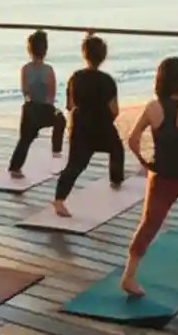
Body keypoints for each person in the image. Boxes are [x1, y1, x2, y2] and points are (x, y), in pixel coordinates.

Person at [120, 57, 178, 296]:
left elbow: (132, 139)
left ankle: (129, 276)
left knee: (149, 225)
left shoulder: (152, 108)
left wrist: (145, 162)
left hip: (162, 177)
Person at [52, 34, 125, 218]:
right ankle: (116, 180)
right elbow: (115, 110)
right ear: (104, 56)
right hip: (102, 125)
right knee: (117, 149)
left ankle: (59, 200)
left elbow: (69, 106)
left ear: (84, 54)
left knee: (75, 165)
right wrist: (105, 121)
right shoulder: (107, 80)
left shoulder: (75, 78)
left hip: (81, 125)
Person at [7, 29, 65, 177]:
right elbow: (51, 96)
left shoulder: (25, 69)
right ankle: (56, 155)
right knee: (60, 119)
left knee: (25, 138)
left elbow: (25, 93)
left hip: (31, 109)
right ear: (45, 50)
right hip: (41, 109)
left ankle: (15, 166)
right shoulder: (48, 70)